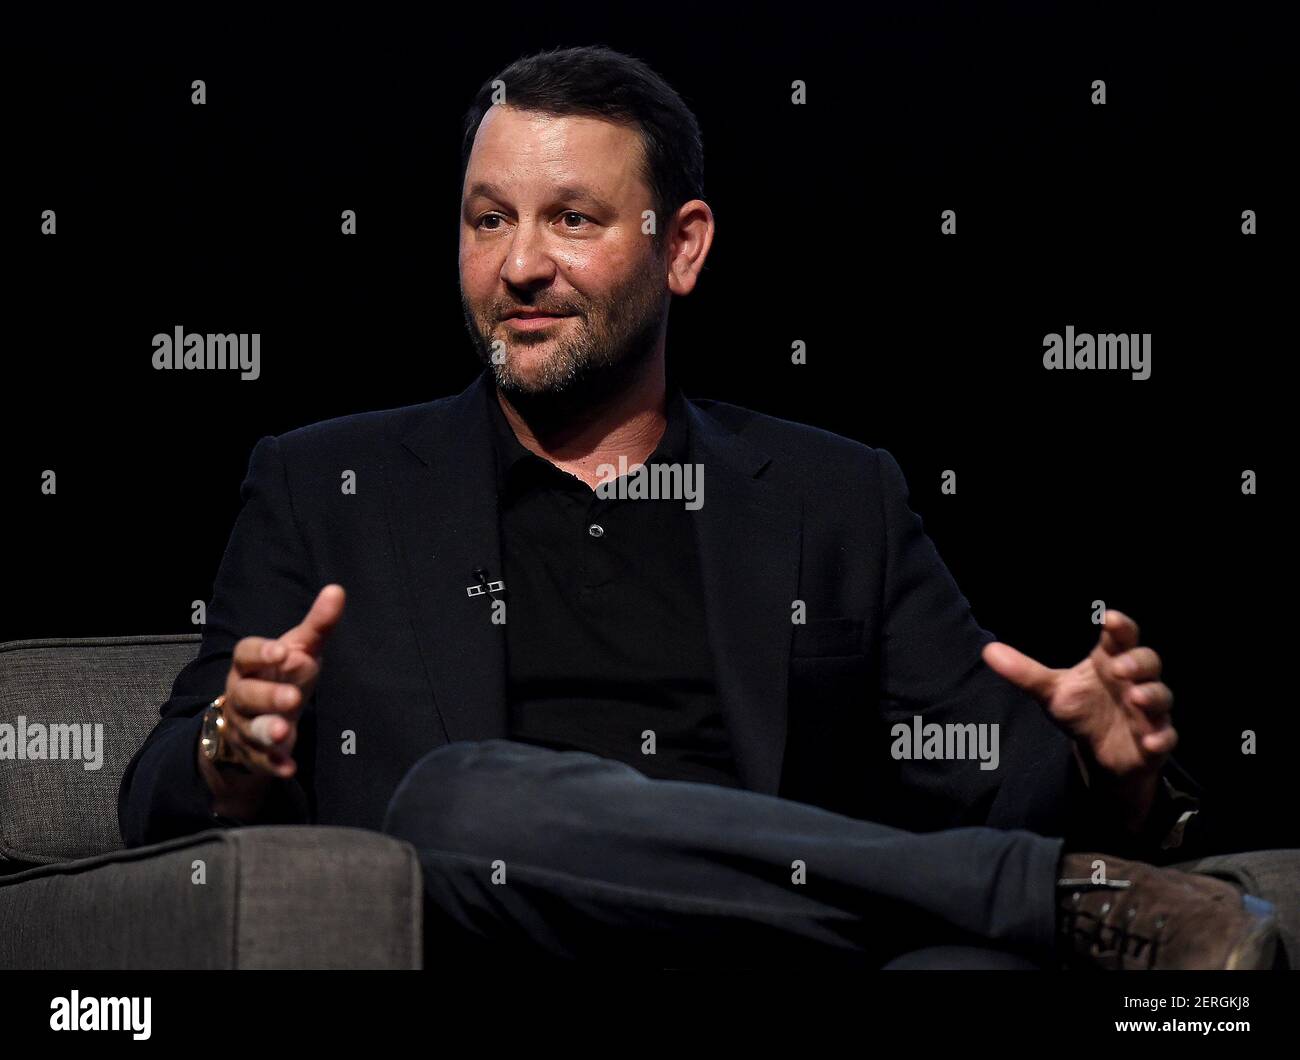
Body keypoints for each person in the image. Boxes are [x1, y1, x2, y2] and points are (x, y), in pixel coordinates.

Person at [118, 45, 1278, 970]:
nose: (518, 264)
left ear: (681, 249)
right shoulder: (328, 484)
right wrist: (234, 751)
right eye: (487, 219)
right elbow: (154, 790)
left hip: (775, 943)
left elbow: (981, 779)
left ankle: (1009, 915)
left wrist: (1107, 770)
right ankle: (1029, 909)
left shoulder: (832, 495)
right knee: (461, 797)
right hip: (496, 927)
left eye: (570, 218)